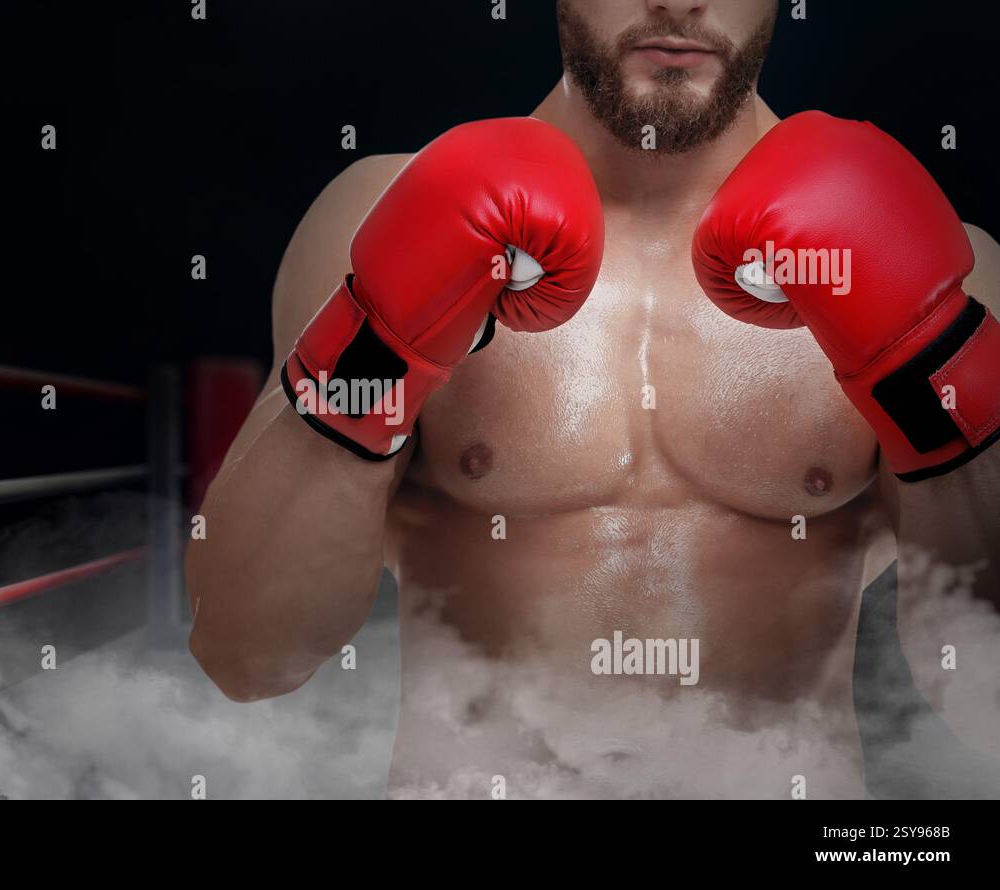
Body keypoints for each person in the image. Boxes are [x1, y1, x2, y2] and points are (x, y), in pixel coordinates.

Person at [185, 0, 1000, 798]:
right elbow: (246, 654)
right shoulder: (379, 213)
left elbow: (986, 703)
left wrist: (930, 355)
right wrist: (381, 343)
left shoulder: (940, 268)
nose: (677, 2)